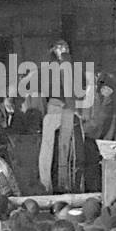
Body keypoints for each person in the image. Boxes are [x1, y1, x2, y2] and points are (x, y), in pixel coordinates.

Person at [38, 40, 84, 194]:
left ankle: (62, 185)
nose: (65, 51)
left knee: (64, 151)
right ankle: (53, 185)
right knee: (56, 151)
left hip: (63, 111)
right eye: (61, 49)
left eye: (66, 48)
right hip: (57, 111)